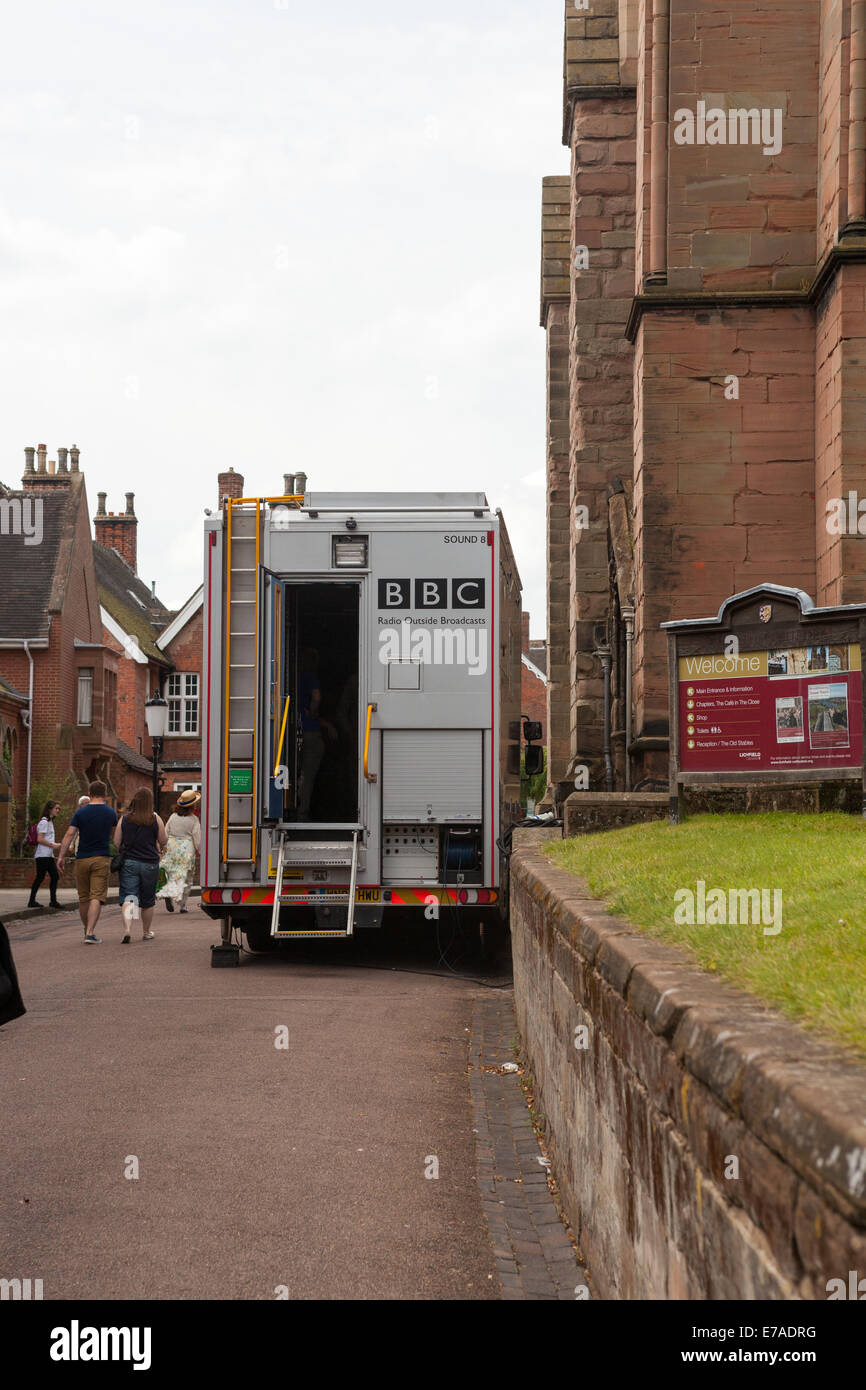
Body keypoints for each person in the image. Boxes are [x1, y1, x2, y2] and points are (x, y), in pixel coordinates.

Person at [57, 781, 118, 944]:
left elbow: (69, 834)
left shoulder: (81, 813)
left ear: (89, 793)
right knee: (96, 896)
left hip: (82, 858)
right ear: (105, 794)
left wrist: (61, 856)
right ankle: (90, 932)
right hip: (101, 857)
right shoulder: (111, 813)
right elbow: (115, 836)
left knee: (83, 897)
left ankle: (86, 929)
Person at [114, 788, 167, 943]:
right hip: (150, 863)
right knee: (147, 901)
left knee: (129, 897)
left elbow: (116, 842)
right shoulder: (155, 818)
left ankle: (127, 930)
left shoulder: (124, 819)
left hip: (130, 862)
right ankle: (146, 931)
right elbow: (163, 840)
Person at [297, 647, 336, 820]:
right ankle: (302, 815)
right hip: (311, 734)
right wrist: (315, 713)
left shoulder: (294, 679)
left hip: (296, 733)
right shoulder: (311, 678)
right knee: (309, 776)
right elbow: (317, 697)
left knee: (298, 775)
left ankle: (296, 811)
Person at [156, 789, 201, 913]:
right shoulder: (194, 820)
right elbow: (197, 839)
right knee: (186, 878)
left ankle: (169, 893)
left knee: (171, 874)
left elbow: (165, 832)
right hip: (186, 849)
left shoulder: (173, 816)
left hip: (172, 846)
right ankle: (182, 905)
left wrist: (163, 847)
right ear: (192, 805)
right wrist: (201, 851)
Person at [27, 800, 61, 910]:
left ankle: (53, 901)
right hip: (42, 855)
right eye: (56, 808)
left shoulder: (50, 822)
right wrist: (53, 845)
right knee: (40, 877)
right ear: (49, 809)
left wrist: (54, 846)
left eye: (58, 809)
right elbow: (40, 839)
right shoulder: (44, 822)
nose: (58, 810)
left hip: (48, 855)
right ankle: (32, 901)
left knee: (55, 876)